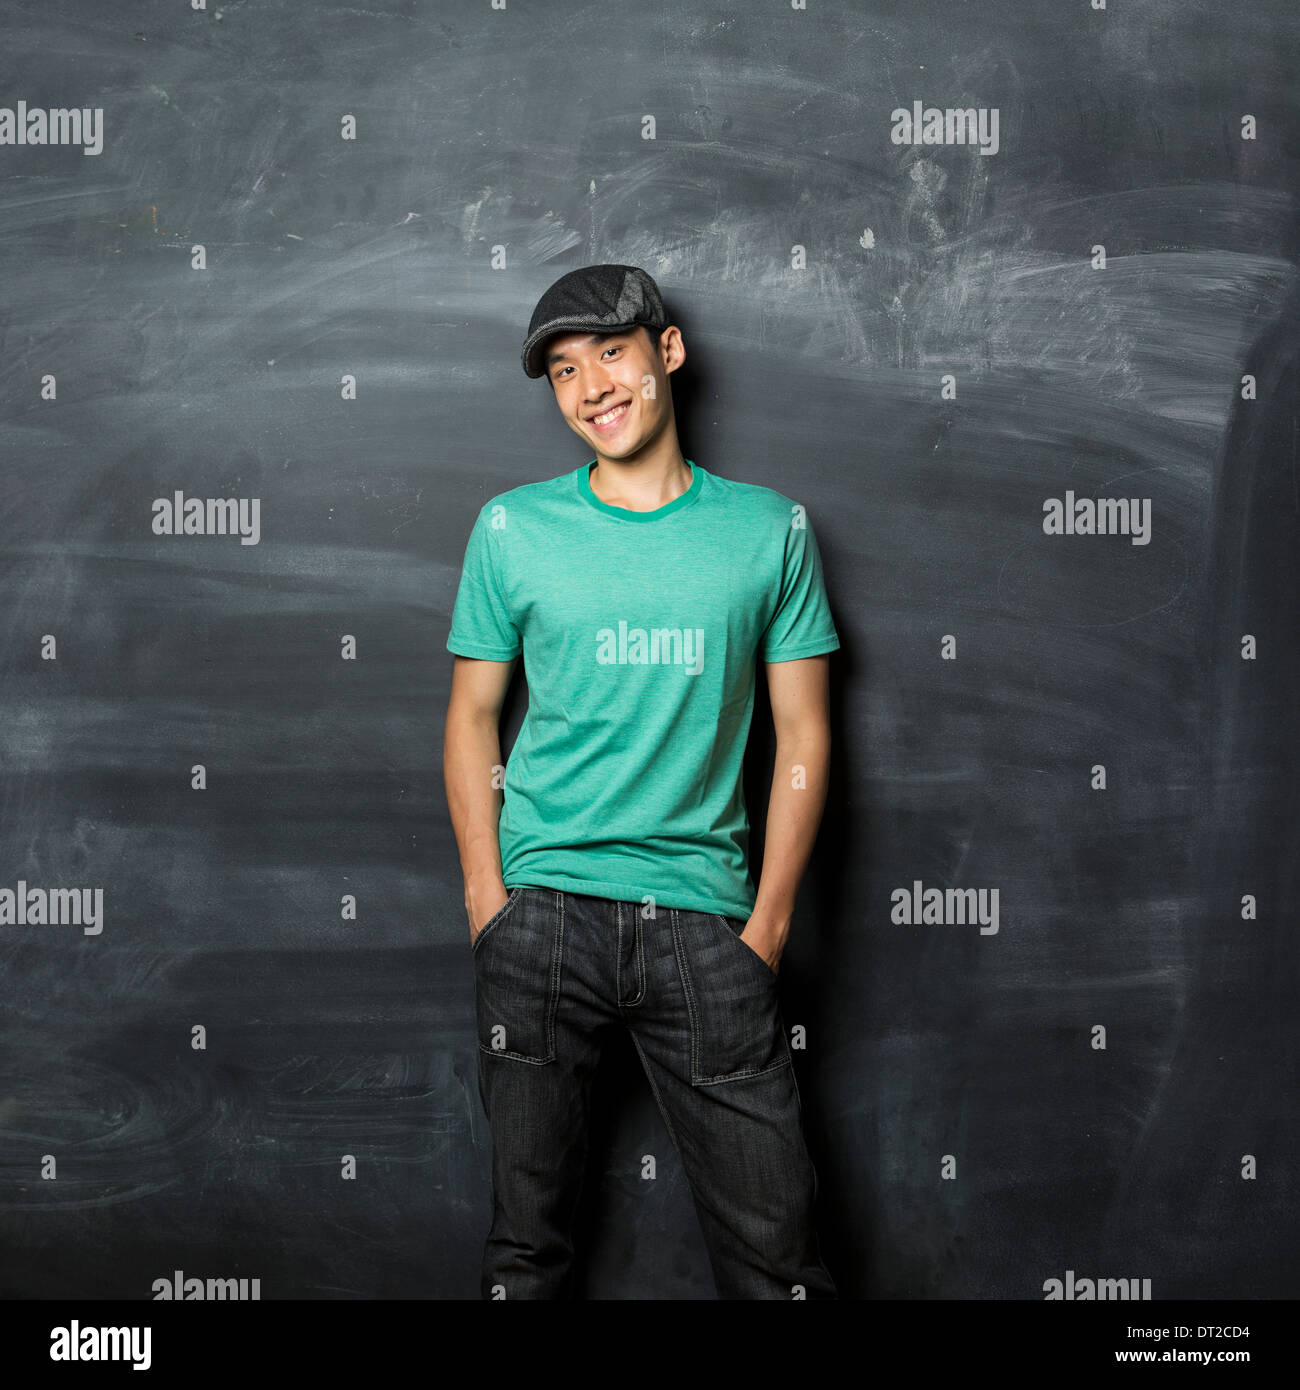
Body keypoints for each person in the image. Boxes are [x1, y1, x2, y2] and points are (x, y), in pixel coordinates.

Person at [443, 263, 840, 1299]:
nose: (591, 388)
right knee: (525, 1256)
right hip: (541, 921)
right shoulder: (510, 528)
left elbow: (803, 729)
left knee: (780, 1263)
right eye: (565, 372)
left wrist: (770, 928)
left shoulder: (769, 529)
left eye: (611, 353)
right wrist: (490, 899)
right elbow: (472, 714)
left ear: (667, 351)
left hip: (706, 927)